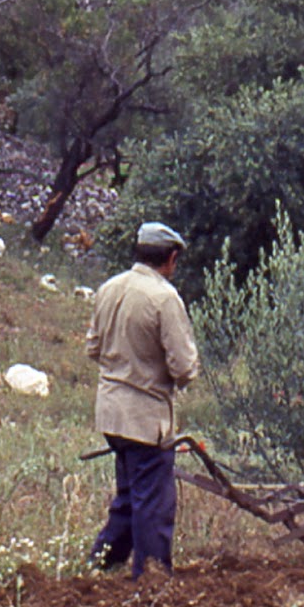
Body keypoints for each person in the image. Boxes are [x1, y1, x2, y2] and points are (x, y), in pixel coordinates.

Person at [86, 222, 200, 578]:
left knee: (129, 496)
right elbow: (183, 367)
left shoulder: (109, 288)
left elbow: (93, 347)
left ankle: (102, 563)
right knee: (153, 504)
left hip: (110, 414)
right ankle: (151, 579)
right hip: (145, 419)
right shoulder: (164, 298)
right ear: (171, 257)